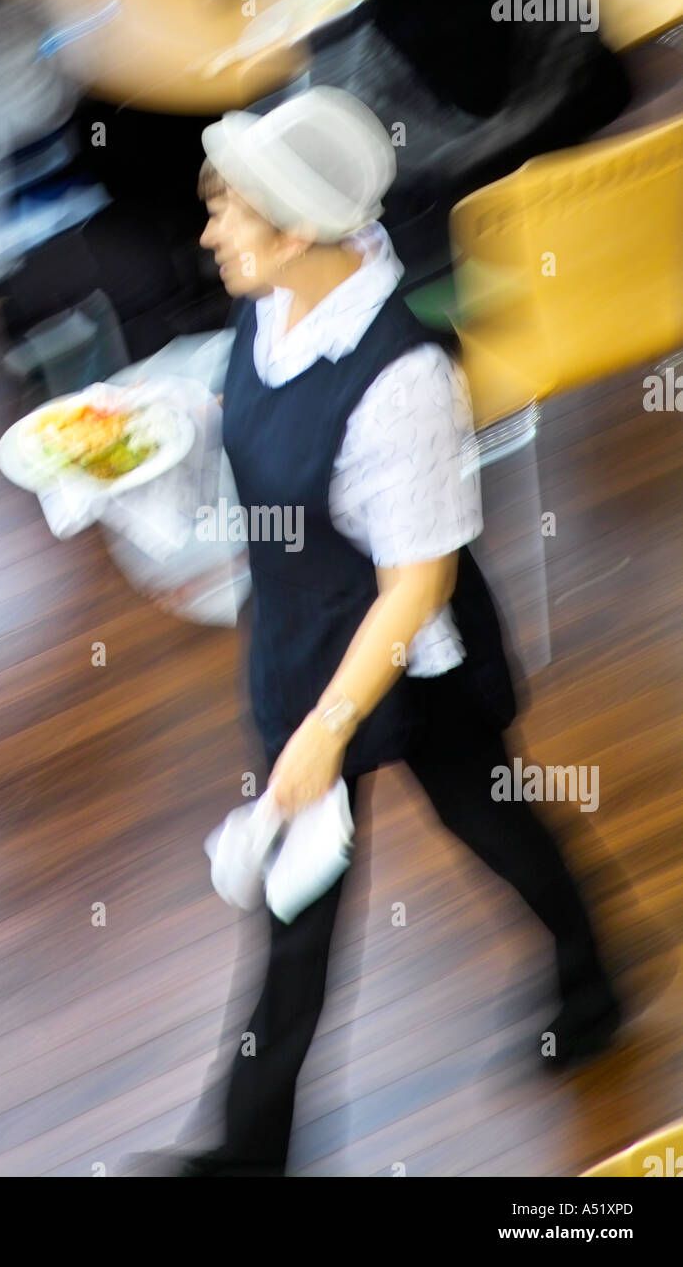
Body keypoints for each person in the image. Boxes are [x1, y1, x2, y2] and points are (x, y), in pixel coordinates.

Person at [123, 87, 623, 1179]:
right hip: (302, 641)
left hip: (405, 664)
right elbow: (260, 419)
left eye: (229, 215)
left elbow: (413, 586)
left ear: (297, 230)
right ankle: (250, 1152)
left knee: (491, 825)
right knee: (297, 915)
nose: (208, 232)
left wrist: (321, 731)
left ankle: (593, 971)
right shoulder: (276, 303)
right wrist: (166, 439)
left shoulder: (401, 380)